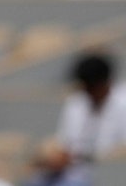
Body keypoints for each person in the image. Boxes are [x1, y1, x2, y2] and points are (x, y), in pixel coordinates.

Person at [23, 52, 126, 186]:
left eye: (91, 87)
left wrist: (79, 158)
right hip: (72, 174)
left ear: (104, 83)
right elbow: (65, 144)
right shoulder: (76, 103)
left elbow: (118, 152)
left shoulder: (123, 103)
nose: (88, 92)